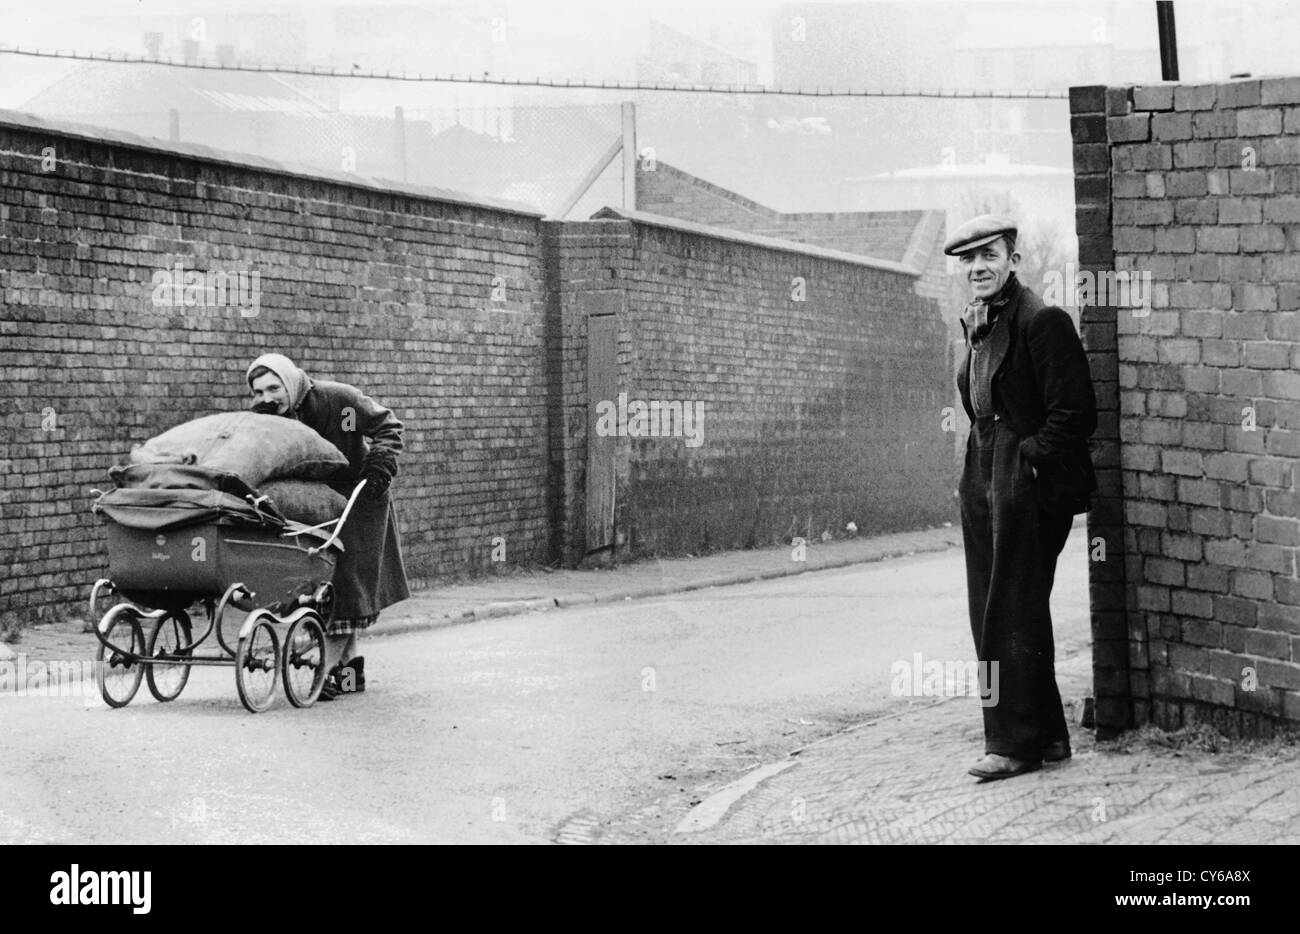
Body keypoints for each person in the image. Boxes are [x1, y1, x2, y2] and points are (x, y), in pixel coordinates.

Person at [947, 215, 1097, 781]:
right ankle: (1049, 738)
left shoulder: (1042, 320)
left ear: (1013, 259)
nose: (978, 267)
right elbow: (981, 401)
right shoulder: (980, 321)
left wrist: (1029, 462)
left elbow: (1076, 413)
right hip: (986, 473)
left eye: (989, 255)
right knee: (1000, 608)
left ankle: (1012, 745)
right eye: (968, 260)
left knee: (1009, 610)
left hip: (1025, 480)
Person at [245, 353, 410, 699]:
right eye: (258, 392)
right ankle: (350, 675)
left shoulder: (339, 402)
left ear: (291, 382)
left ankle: (329, 671)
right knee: (325, 585)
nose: (266, 398)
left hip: (358, 499)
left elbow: (387, 426)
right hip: (314, 502)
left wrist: (379, 465)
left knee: (346, 585)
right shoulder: (270, 418)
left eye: (273, 388)